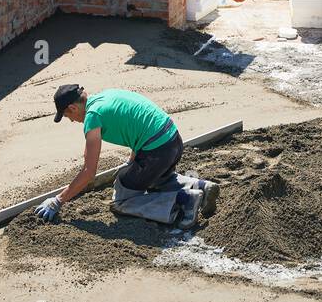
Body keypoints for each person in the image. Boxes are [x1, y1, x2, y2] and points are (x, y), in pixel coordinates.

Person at [34, 85, 219, 229]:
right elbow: (137, 127)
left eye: (67, 116)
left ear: (73, 108)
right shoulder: (106, 96)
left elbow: (89, 171)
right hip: (173, 141)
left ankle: (185, 199)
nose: (72, 120)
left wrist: (58, 201)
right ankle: (199, 185)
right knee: (147, 178)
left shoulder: (92, 117)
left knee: (121, 201)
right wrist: (132, 163)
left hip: (157, 152)